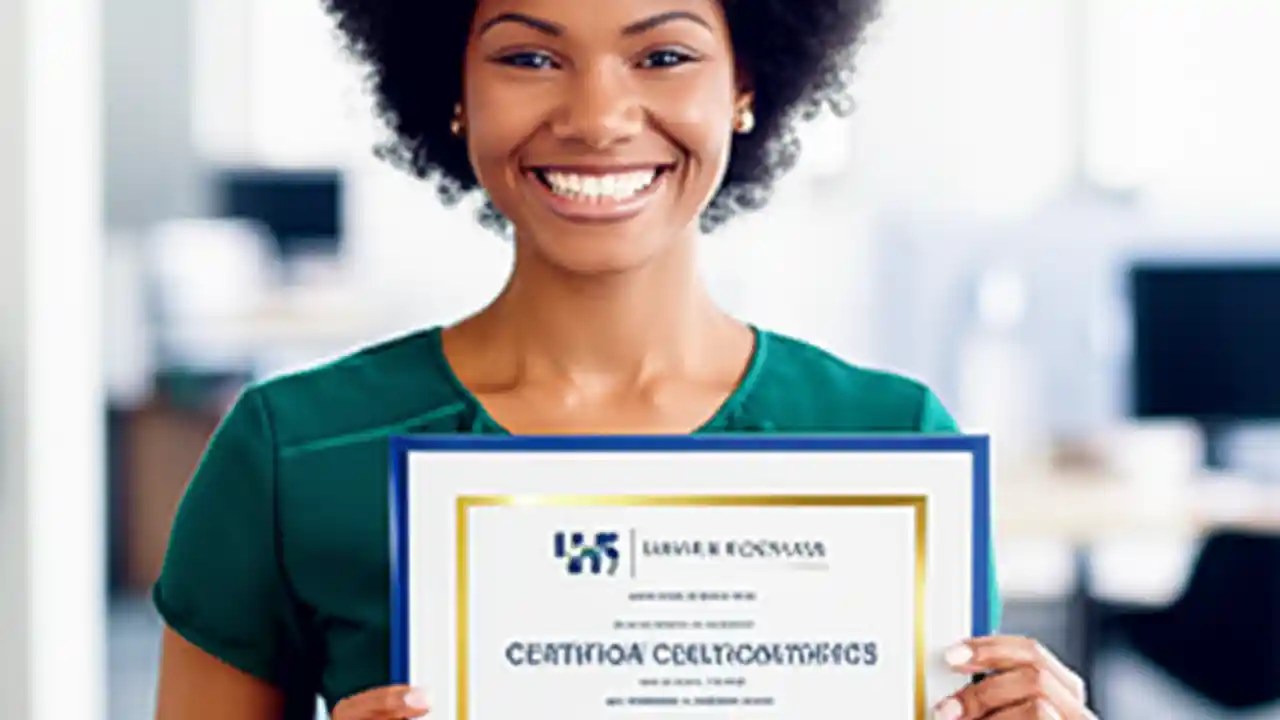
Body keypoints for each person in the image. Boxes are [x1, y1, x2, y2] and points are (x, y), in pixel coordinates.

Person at [153, 0, 1095, 718]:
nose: (599, 117)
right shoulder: (291, 451)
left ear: (745, 86)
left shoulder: (892, 445)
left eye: (664, 56)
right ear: (454, 87)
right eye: (529, 57)